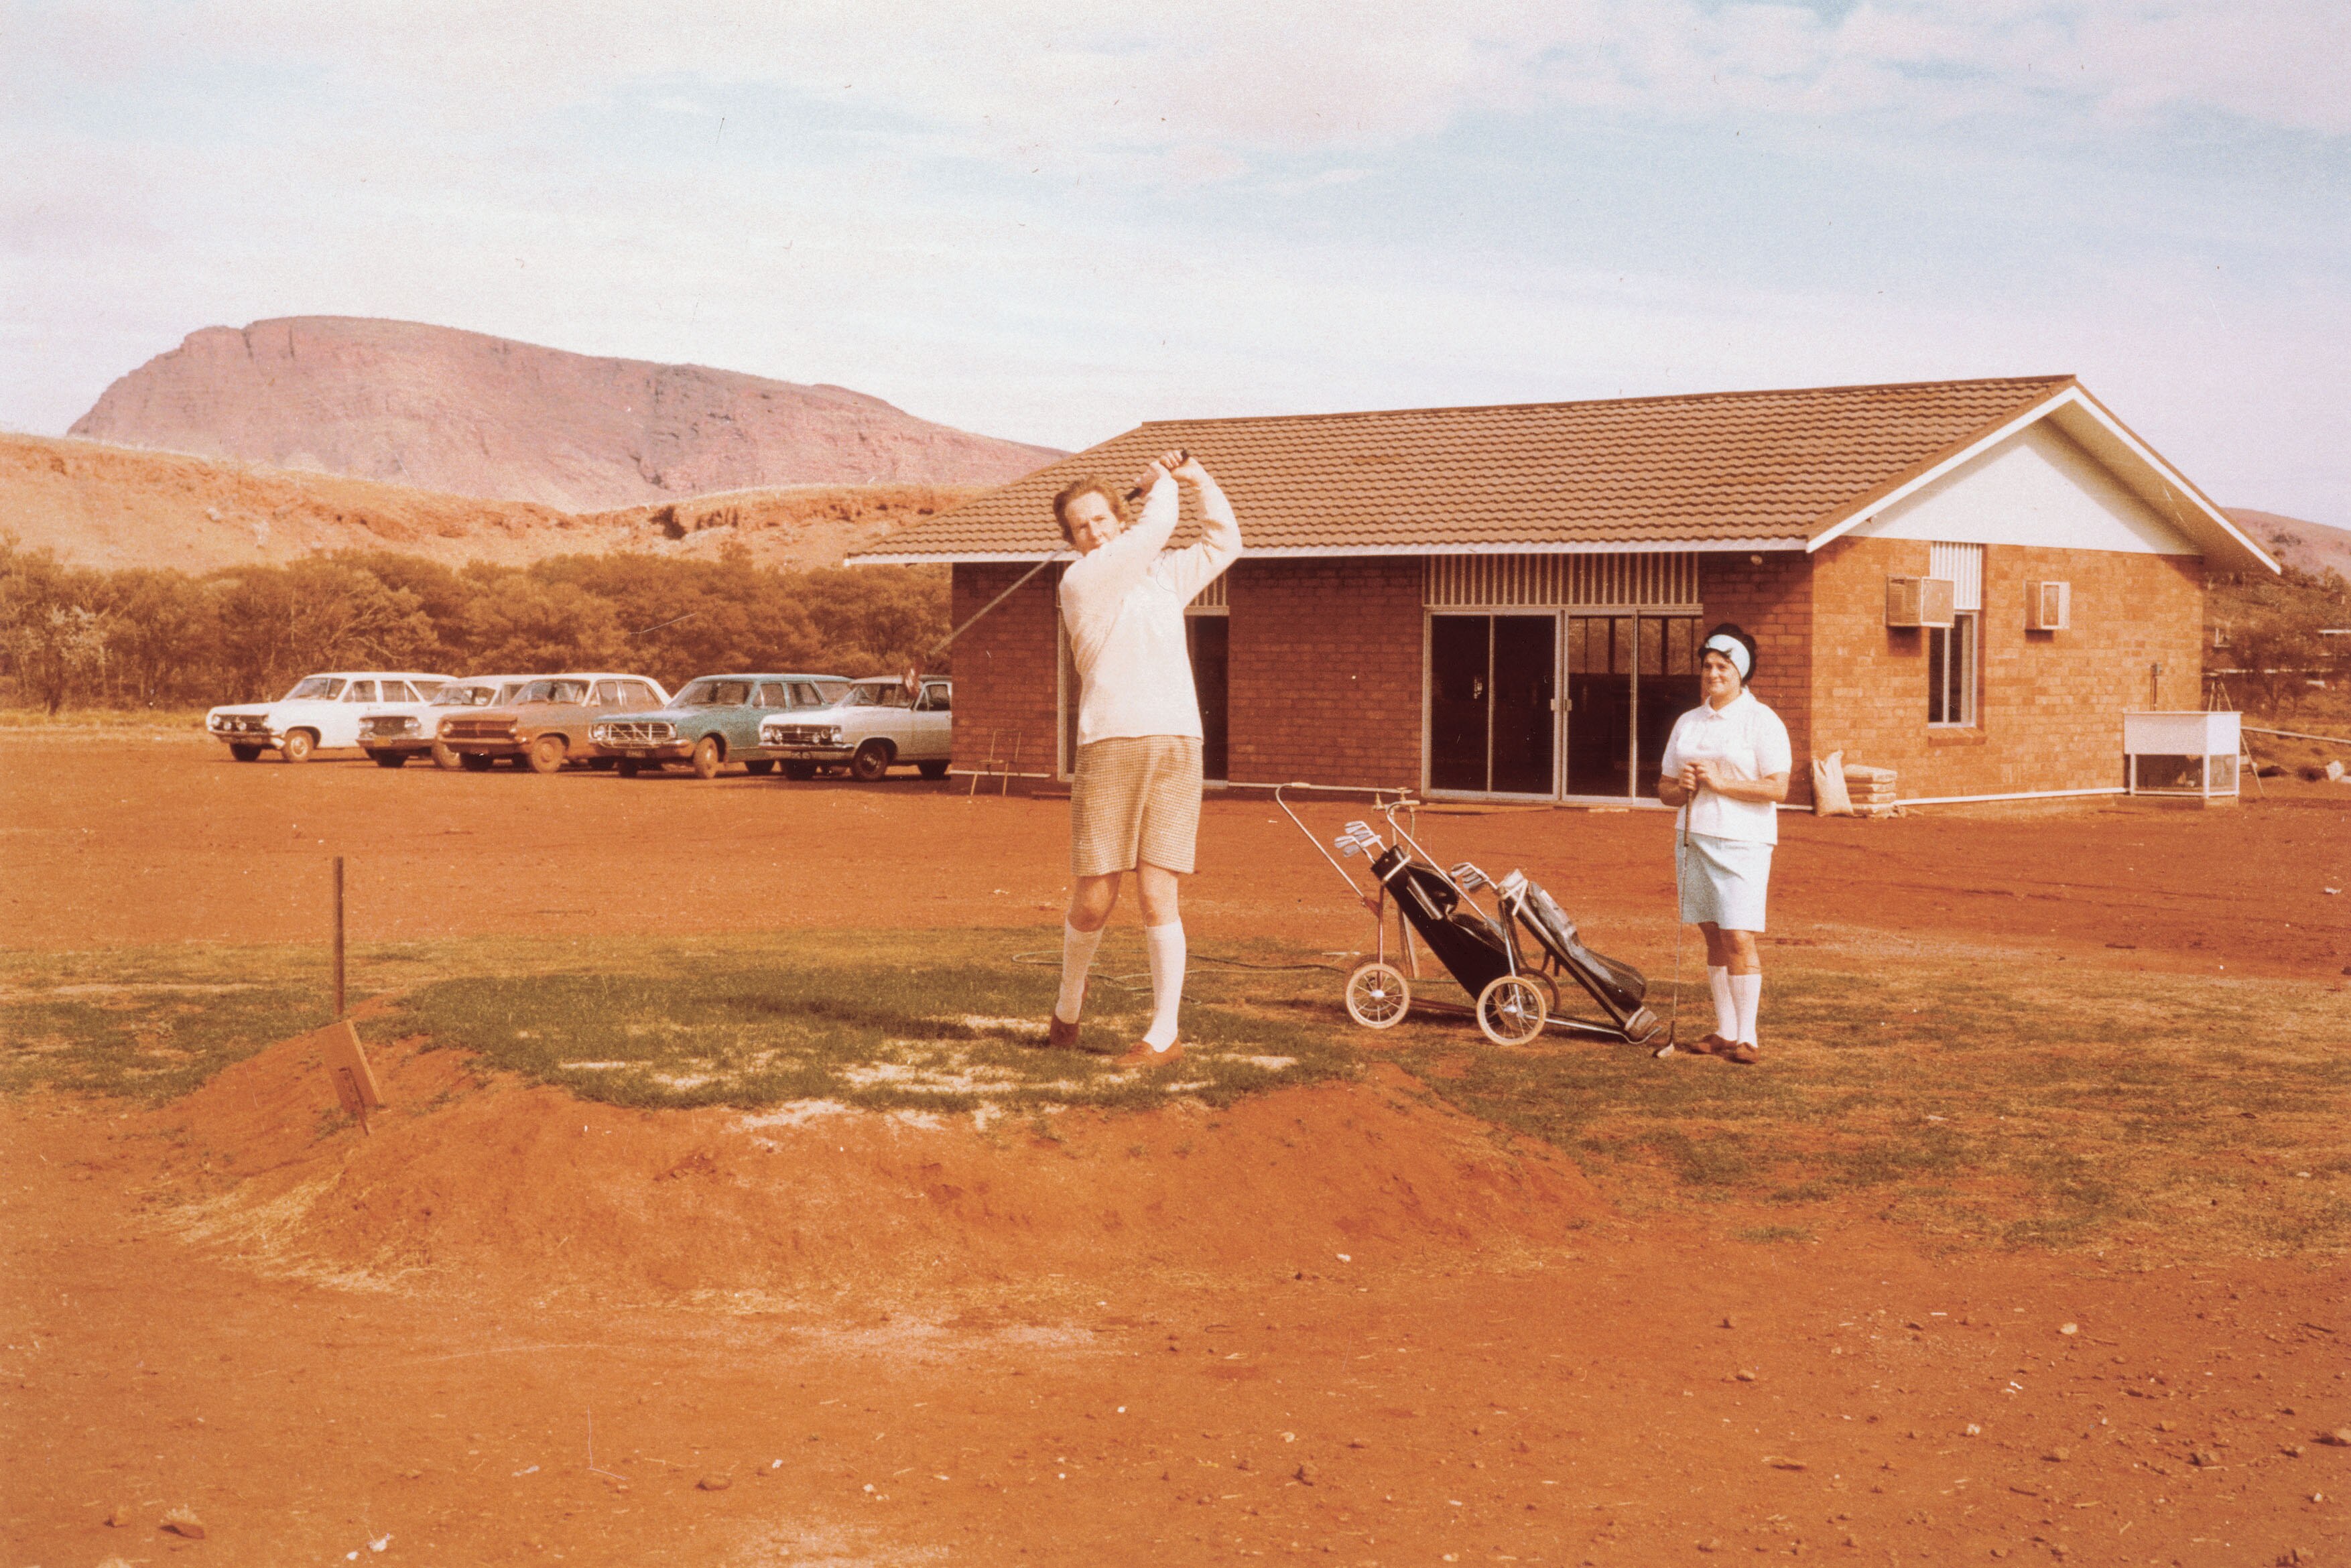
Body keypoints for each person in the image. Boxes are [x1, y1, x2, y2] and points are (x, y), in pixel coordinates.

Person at [1045, 449, 1241, 1067]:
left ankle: (1164, 1033)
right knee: (1095, 897)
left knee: (1160, 893)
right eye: (1081, 527)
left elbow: (1225, 541)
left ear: (1116, 519)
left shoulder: (1160, 575)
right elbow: (1157, 526)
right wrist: (1160, 486)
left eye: (1102, 519)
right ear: (1073, 541)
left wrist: (1197, 479)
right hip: (1110, 745)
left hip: (1178, 743)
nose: (1094, 532)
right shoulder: (1081, 582)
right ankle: (1069, 1004)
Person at [1656, 624, 1791, 1065]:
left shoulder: (1762, 720)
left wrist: (1724, 783)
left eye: (1723, 666)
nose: (1713, 674)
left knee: (1738, 933)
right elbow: (1665, 789)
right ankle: (1725, 1029)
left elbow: (1778, 789)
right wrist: (1686, 787)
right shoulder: (1689, 722)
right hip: (1693, 838)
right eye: (1708, 666)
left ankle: (1747, 1036)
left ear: (1742, 672)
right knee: (1711, 932)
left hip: (1743, 843)